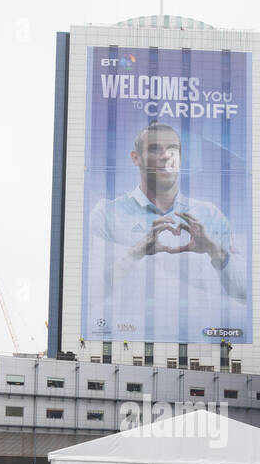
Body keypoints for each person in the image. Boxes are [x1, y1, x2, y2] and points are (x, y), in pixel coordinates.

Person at [86, 121, 247, 341]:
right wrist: (134, 253)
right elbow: (90, 295)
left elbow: (245, 294)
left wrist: (215, 251)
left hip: (200, 346)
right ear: (135, 158)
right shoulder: (106, 215)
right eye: (154, 149)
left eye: (172, 150)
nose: (165, 156)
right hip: (127, 343)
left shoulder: (211, 215)